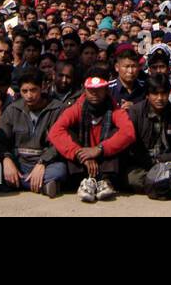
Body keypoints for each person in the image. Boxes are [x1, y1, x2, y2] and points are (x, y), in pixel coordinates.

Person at [48, 70, 136, 203]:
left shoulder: (115, 109)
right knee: (68, 133)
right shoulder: (76, 107)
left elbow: (128, 133)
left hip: (105, 158)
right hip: (82, 159)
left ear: (106, 89)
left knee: (116, 133)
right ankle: (84, 182)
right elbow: (55, 132)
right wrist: (79, 153)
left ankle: (105, 181)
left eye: (99, 89)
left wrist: (100, 149)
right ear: (85, 89)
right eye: (91, 90)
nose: (95, 93)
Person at [0, 67, 67, 198]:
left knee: (61, 170)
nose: (29, 95)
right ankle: (41, 186)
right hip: (18, 163)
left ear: (42, 87)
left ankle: (15, 184)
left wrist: (42, 162)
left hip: (45, 164)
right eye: (24, 91)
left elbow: (60, 143)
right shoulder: (13, 109)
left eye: (33, 90)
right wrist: (6, 159)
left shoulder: (57, 109)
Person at [125, 75, 171, 199]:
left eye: (164, 94)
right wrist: (150, 162)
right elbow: (132, 146)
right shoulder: (135, 112)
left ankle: (158, 185)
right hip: (144, 164)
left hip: (168, 162)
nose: (160, 98)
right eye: (155, 94)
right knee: (131, 177)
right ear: (147, 95)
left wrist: (162, 160)